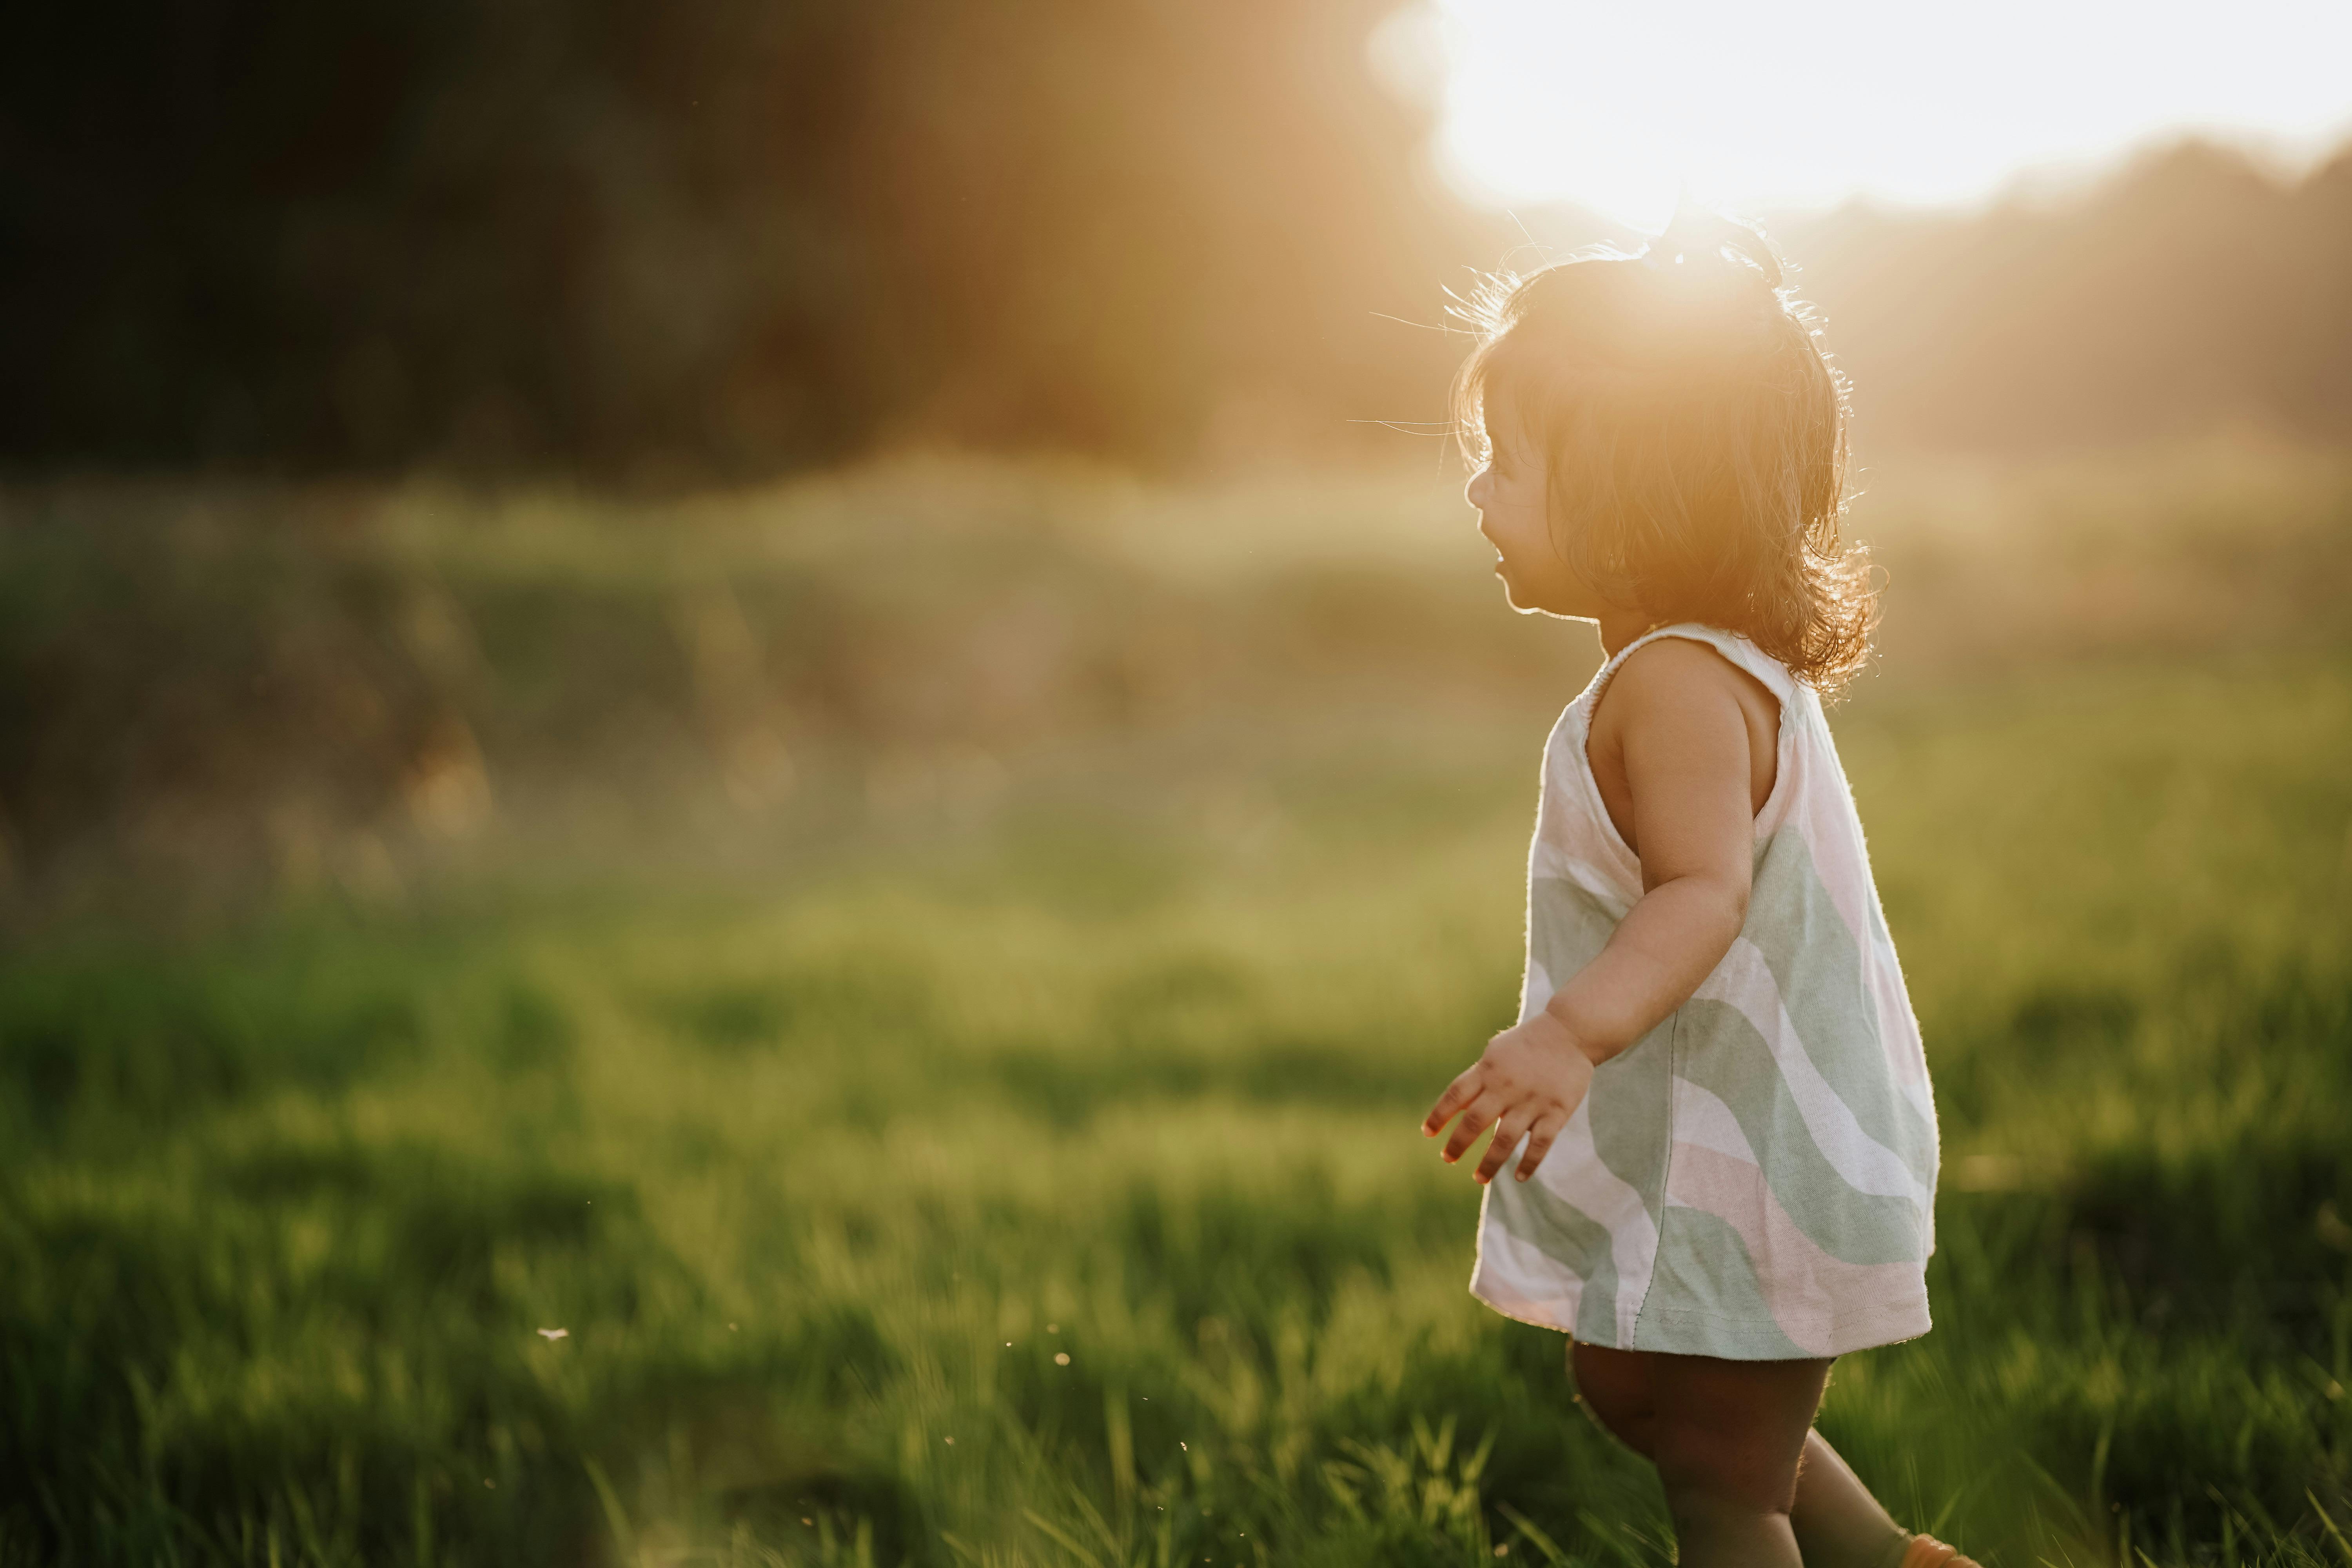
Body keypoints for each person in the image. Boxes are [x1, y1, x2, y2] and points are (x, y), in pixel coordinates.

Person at [1419, 214, 1976, 1568]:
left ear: (1628, 500)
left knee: (1727, 1485)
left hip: (1753, 1156)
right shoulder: (1703, 664)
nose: (1478, 493)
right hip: (1736, 1134)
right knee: (1631, 1382)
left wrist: (1568, 1034)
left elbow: (1703, 892)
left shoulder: (1673, 682)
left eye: (1509, 464)